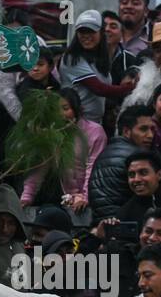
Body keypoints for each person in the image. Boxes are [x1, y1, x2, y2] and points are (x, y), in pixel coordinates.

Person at [21, 88, 106, 224]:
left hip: (89, 199)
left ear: (76, 108)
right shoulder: (52, 134)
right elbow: (39, 168)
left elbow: (93, 167)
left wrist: (85, 197)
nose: (61, 114)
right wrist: (27, 196)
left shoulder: (95, 132)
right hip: (66, 198)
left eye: (65, 108)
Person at [89, 105, 156, 218]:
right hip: (124, 224)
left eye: (152, 129)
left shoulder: (106, 151)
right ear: (126, 131)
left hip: (101, 222)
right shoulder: (136, 157)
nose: (150, 135)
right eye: (143, 129)